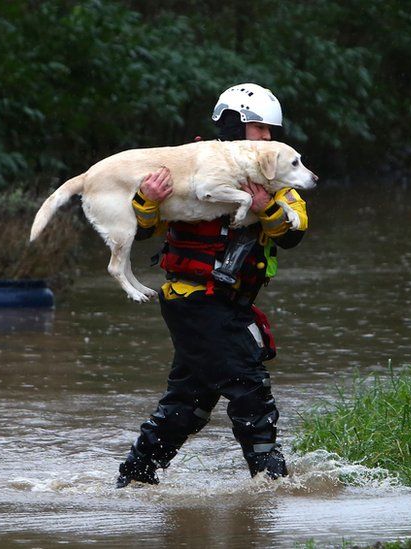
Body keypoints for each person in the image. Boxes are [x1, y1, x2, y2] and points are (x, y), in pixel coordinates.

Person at [115, 83, 309, 488]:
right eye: (259, 129)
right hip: (195, 301)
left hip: (229, 304)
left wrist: (264, 206)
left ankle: (134, 479)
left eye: (270, 131)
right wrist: (147, 199)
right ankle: (271, 483)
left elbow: (293, 232)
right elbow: (146, 229)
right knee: (248, 386)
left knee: (190, 403)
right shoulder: (187, 163)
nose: (268, 138)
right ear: (235, 125)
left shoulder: (274, 173)